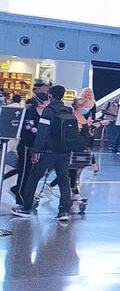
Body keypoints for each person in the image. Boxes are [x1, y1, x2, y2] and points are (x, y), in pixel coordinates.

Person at [14, 85, 75, 220]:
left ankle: (26, 207)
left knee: (33, 178)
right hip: (64, 152)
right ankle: (64, 211)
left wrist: (36, 150)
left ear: (50, 96)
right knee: (63, 180)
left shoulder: (48, 111)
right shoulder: (69, 110)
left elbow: (42, 132)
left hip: (48, 151)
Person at [7, 79, 49, 202]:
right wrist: (39, 131)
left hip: (37, 147)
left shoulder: (46, 114)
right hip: (26, 146)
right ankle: (20, 196)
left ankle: (24, 192)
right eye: (47, 101)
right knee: (24, 171)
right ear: (41, 103)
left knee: (32, 173)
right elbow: (29, 129)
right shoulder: (30, 113)